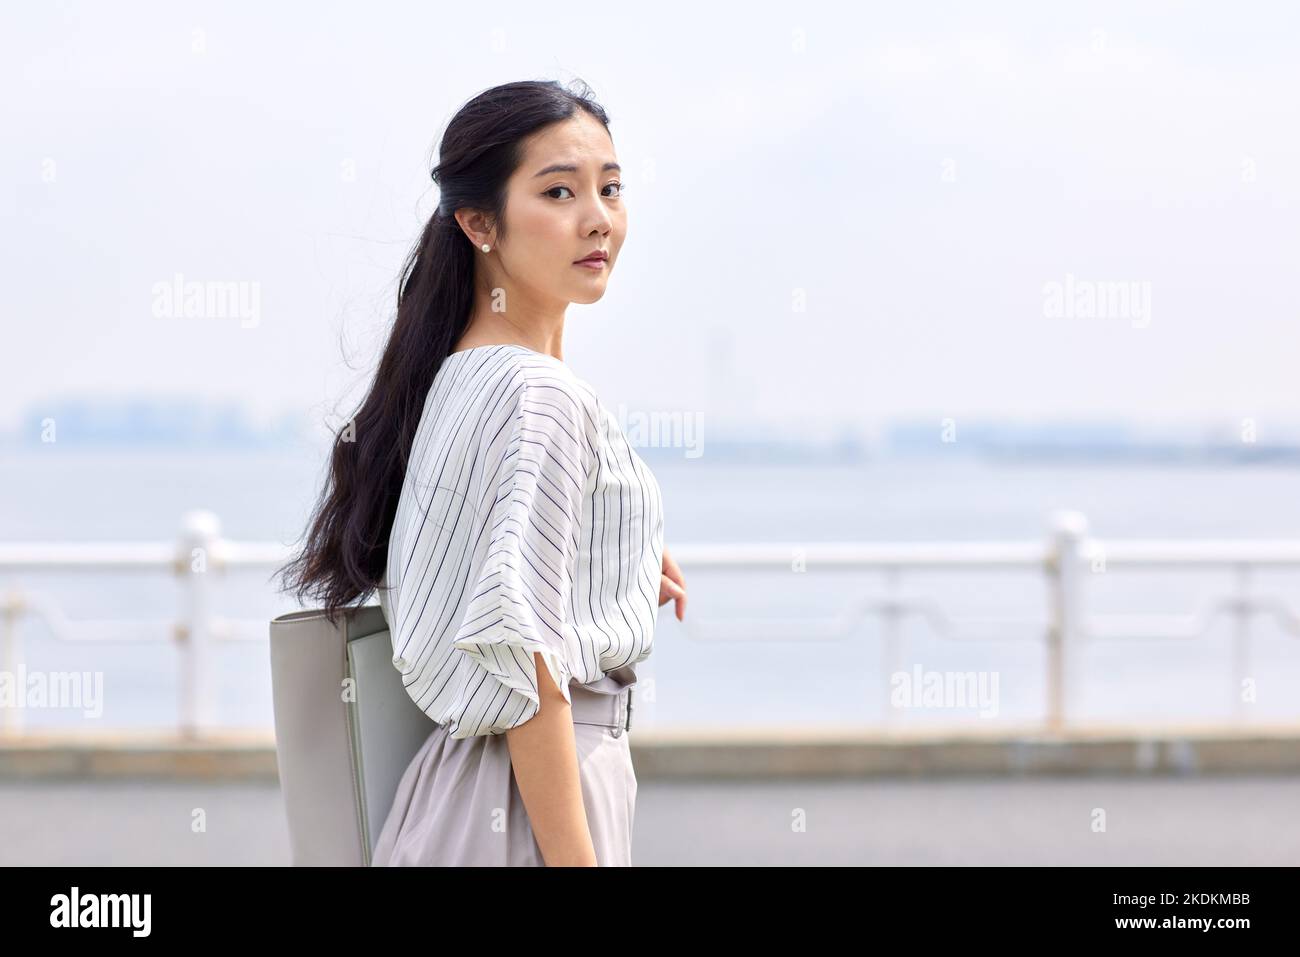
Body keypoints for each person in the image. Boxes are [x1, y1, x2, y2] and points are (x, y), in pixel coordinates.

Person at [277, 79, 687, 866]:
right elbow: (526, 663)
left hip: (460, 796)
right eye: (559, 191)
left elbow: (490, 565)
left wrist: (619, 543)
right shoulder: (536, 395)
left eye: (610, 187)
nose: (597, 216)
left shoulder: (462, 376)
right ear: (478, 222)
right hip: (527, 798)